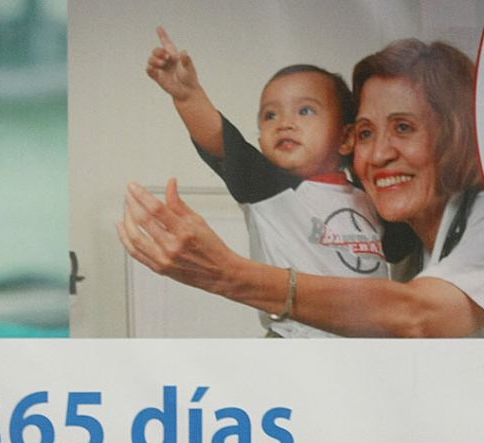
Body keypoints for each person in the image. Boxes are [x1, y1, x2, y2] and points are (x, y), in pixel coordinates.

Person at [119, 39, 484, 338]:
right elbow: (225, 143)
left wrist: (229, 273)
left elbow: (415, 314)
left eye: (404, 127)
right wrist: (187, 96)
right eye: (369, 132)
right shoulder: (278, 190)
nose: (380, 153)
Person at [145, 25, 397, 338]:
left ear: (346, 138)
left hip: (369, 344)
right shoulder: (268, 188)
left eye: (305, 110)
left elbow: (399, 251)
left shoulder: (370, 198)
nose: (285, 124)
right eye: (270, 116)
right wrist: (187, 95)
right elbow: (220, 140)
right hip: (295, 340)